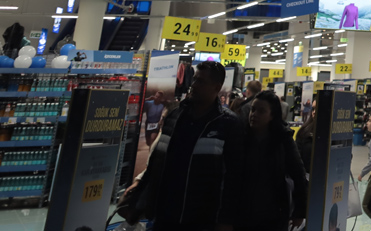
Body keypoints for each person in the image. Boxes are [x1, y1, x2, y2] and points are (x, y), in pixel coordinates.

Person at [118, 61, 244, 231]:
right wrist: (139, 190)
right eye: (195, 79)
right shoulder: (175, 116)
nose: (194, 85)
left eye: (201, 81)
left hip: (202, 218)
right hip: (165, 214)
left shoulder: (228, 124)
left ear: (216, 87)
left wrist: (225, 220)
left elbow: (232, 178)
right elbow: (158, 161)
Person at [238, 90, 307, 231]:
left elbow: (298, 174)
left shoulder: (283, 140)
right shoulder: (240, 138)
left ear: (272, 115)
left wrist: (300, 212)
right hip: (242, 213)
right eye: (253, 109)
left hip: (273, 214)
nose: (254, 114)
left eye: (261, 111)